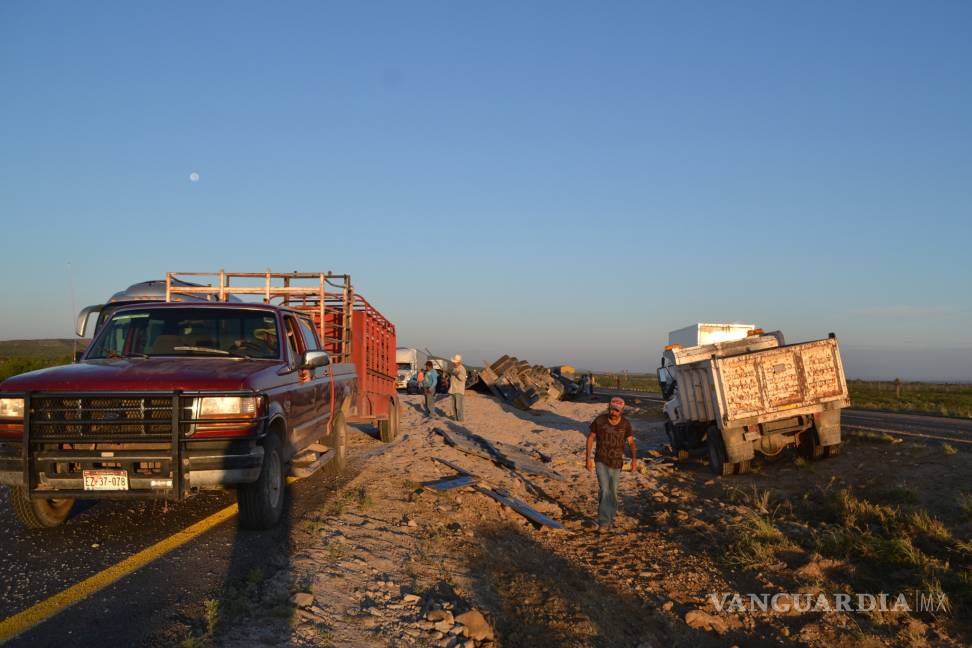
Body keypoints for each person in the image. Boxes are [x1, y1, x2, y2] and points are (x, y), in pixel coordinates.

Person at [585, 396, 637, 532]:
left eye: (617, 410)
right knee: (604, 489)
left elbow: (631, 442)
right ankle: (603, 522)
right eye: (612, 409)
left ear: (622, 411)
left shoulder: (625, 424)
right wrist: (588, 459)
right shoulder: (600, 420)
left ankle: (610, 519)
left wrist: (634, 460)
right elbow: (590, 437)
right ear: (609, 408)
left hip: (617, 463)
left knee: (613, 492)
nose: (613, 412)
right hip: (600, 460)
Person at [448, 354, 467, 422]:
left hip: (459, 390)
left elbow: (463, 379)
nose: (453, 363)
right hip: (453, 390)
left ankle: (460, 420)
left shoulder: (462, 369)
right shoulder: (454, 369)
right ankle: (456, 419)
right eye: (453, 362)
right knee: (453, 406)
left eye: (455, 362)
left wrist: (457, 374)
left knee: (458, 406)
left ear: (459, 362)